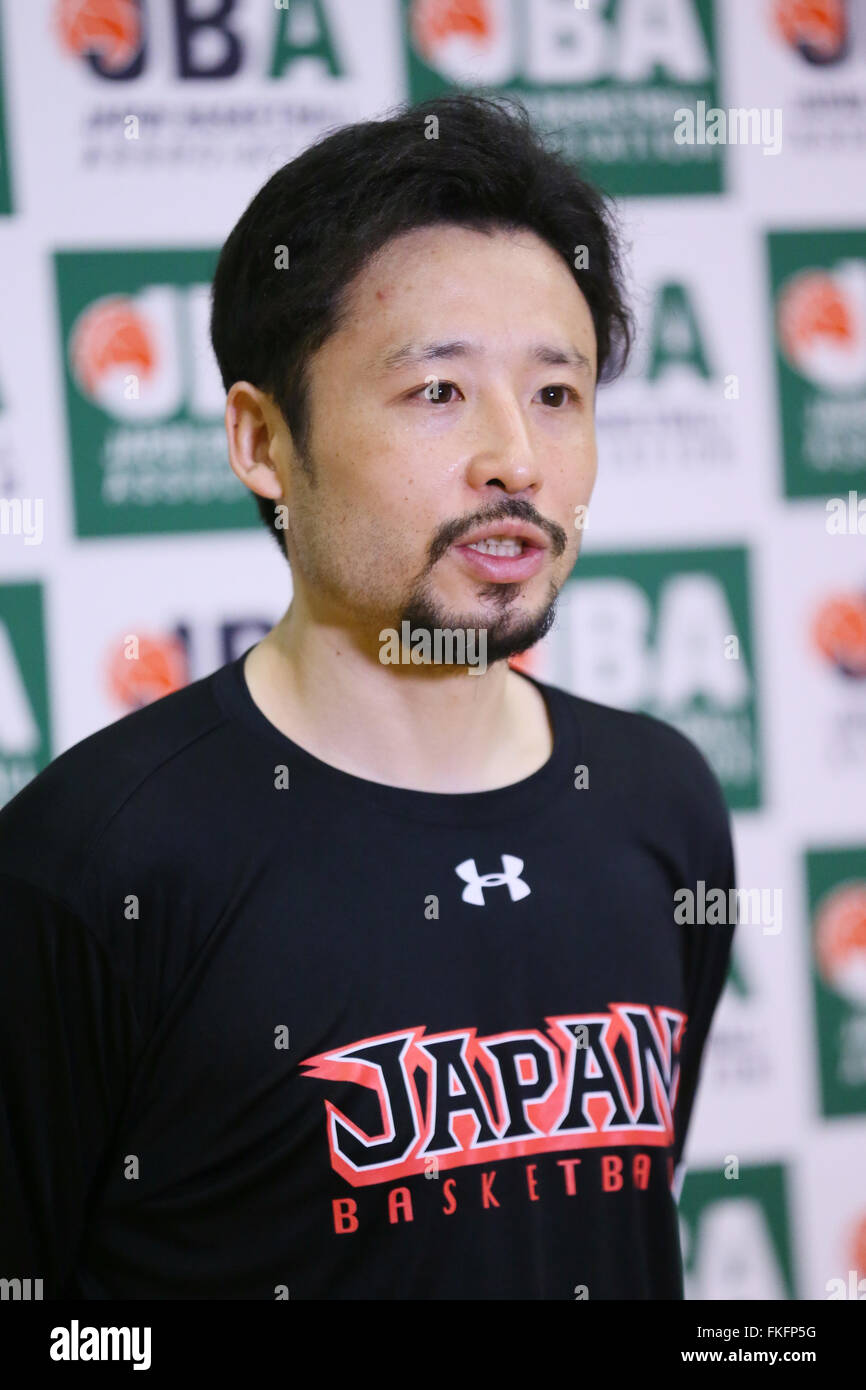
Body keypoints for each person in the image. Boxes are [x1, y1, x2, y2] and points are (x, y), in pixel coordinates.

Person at [0, 94, 735, 1299]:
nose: (516, 457)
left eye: (556, 393)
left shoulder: (658, 802)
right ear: (258, 440)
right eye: (437, 392)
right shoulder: (90, 864)